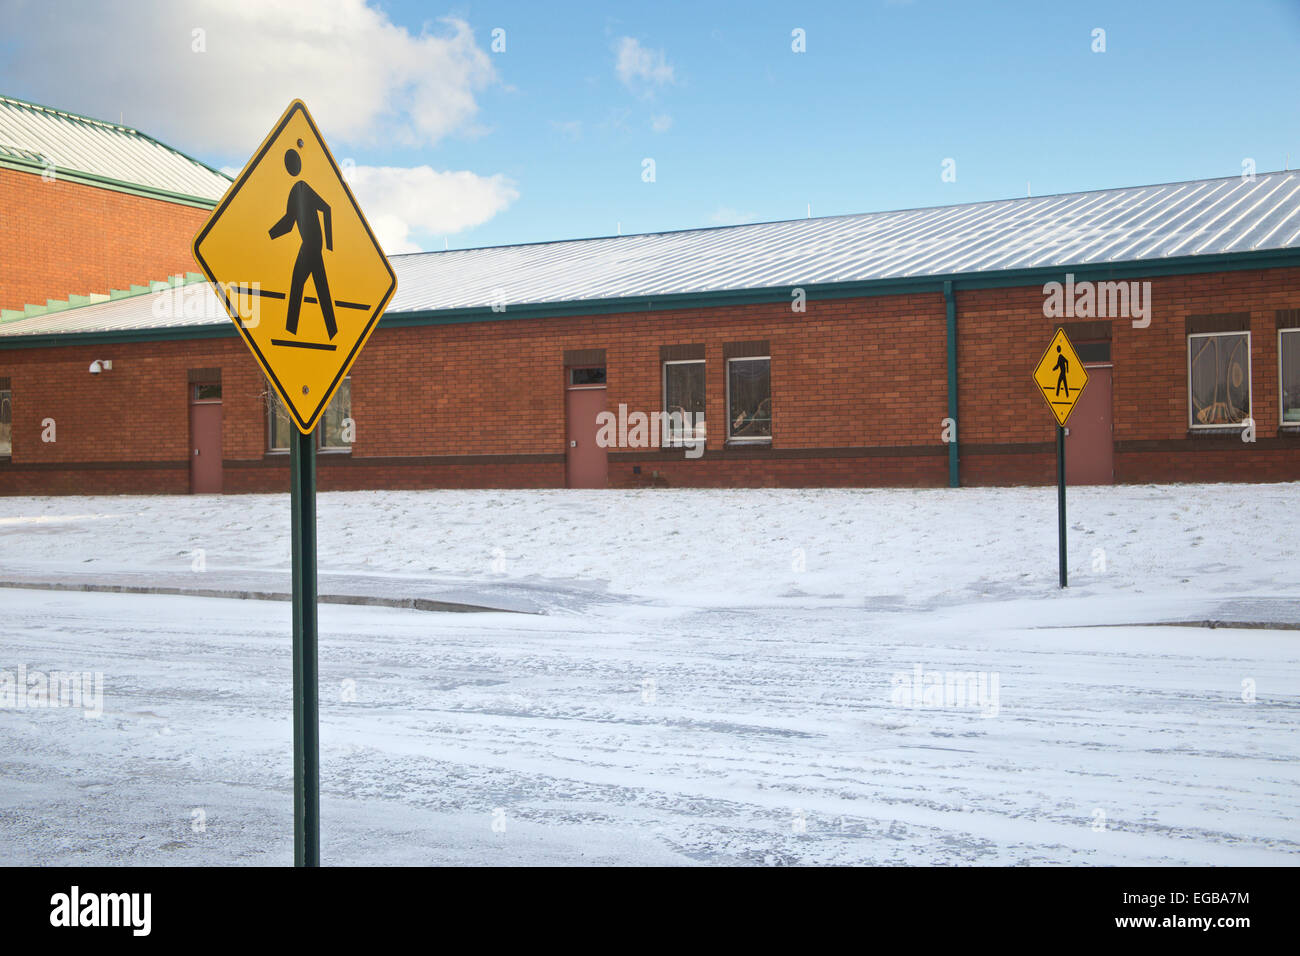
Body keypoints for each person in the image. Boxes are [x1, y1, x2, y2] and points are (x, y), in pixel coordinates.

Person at [268, 147, 336, 339]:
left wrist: (330, 244)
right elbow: (289, 223)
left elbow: (327, 208)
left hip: (312, 245)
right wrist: (268, 235)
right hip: (310, 245)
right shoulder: (294, 192)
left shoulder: (302, 187)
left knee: (298, 284)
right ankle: (331, 331)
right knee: (319, 288)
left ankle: (291, 331)